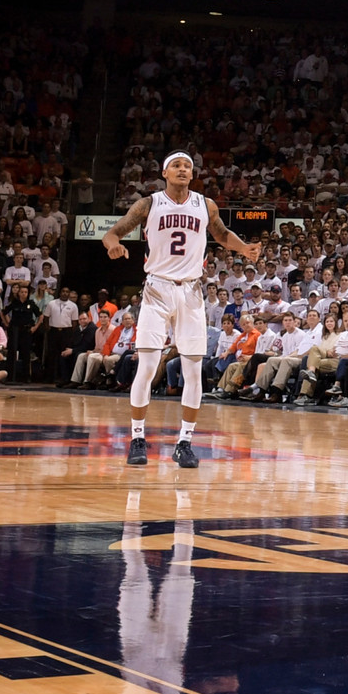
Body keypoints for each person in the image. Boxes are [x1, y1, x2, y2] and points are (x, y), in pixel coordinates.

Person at [101, 152, 261, 469]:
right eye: (176, 165)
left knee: (192, 370)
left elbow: (221, 234)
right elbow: (112, 232)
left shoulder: (205, 204)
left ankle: (184, 443)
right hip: (157, 288)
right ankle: (137, 438)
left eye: (187, 166)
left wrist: (243, 247)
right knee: (147, 366)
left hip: (190, 291)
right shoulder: (149, 204)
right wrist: (112, 245)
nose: (183, 169)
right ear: (164, 172)